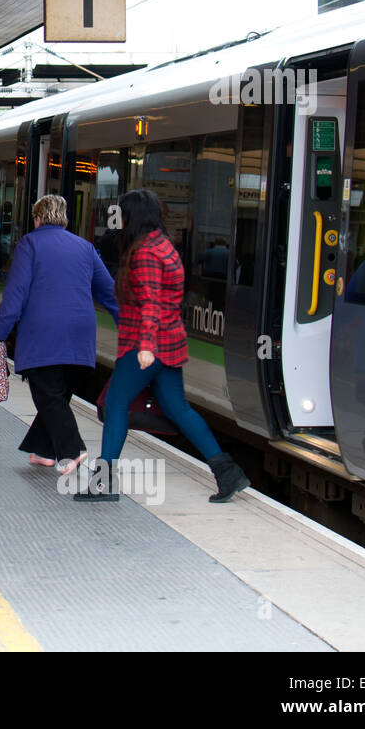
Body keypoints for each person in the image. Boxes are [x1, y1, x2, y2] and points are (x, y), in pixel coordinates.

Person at [86, 188, 250, 502]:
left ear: (133, 216)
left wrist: (145, 347)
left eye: (122, 213)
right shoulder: (164, 246)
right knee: (179, 409)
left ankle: (103, 481)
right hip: (169, 343)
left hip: (145, 344)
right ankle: (228, 473)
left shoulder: (145, 252)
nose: (117, 219)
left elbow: (151, 303)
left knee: (115, 404)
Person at [0, 195, 119, 476]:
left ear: (37, 218)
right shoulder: (85, 247)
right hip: (80, 336)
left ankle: (72, 449)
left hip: (43, 335)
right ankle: (45, 450)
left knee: (47, 395)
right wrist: (129, 327)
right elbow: (110, 293)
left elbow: (16, 294)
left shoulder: (30, 244)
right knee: (57, 394)